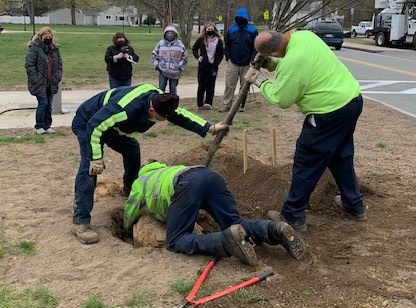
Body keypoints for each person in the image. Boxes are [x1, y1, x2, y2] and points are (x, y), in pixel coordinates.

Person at [71, 84, 229, 244]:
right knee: (89, 169)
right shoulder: (124, 109)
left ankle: (129, 188)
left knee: (132, 149)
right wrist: (95, 157)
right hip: (88, 123)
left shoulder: (161, 100)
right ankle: (81, 222)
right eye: (161, 118)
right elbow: (95, 126)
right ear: (151, 111)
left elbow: (180, 115)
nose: (164, 120)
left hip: (111, 127)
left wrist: (209, 127)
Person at [244, 29, 366, 232]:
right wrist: (272, 66)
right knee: (340, 156)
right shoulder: (304, 36)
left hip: (328, 113)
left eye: (272, 58)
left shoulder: (293, 62)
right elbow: (298, 64)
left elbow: (282, 99)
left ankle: (292, 215)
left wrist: (260, 81)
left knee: (307, 160)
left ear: (273, 52)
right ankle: (353, 204)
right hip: (351, 101)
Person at [123, 161, 305, 263]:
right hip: (209, 175)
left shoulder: (142, 180)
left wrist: (126, 230)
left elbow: (131, 209)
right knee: (235, 222)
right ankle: (274, 229)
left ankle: (225, 241)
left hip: (187, 186)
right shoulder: (169, 169)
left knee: (175, 240)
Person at [25, 27, 62, 134]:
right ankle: (39, 126)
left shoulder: (54, 49)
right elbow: (29, 64)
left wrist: (58, 76)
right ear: (41, 37)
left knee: (49, 104)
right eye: (46, 37)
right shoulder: (34, 48)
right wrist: (35, 79)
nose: (49, 38)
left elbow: (59, 64)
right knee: (43, 103)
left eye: (50, 37)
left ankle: (47, 125)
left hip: (51, 82)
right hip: (40, 82)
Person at [219, 7, 258, 113]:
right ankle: (226, 104)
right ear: (236, 18)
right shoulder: (231, 30)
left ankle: (241, 105)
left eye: (242, 18)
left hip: (247, 63)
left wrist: (252, 60)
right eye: (239, 18)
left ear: (246, 18)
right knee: (229, 85)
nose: (241, 19)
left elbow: (255, 47)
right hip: (233, 62)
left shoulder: (253, 30)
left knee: (244, 85)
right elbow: (227, 45)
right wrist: (228, 58)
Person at [191, 22, 225, 110]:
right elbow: (194, 49)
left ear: (214, 30)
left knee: (211, 85)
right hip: (203, 66)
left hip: (213, 66)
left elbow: (221, 53)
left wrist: (217, 62)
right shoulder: (201, 39)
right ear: (205, 30)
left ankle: (208, 103)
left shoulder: (218, 40)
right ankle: (200, 104)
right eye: (208, 30)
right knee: (201, 85)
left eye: (211, 29)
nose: (210, 31)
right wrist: (198, 57)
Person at [151, 25, 188, 94]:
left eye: (171, 33)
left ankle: (173, 104)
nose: (169, 35)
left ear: (175, 34)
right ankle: (160, 103)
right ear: (165, 34)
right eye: (168, 33)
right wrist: (157, 65)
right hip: (163, 70)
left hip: (175, 71)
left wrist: (180, 66)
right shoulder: (161, 43)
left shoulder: (180, 44)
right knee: (161, 88)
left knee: (173, 88)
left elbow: (185, 56)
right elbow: (154, 54)